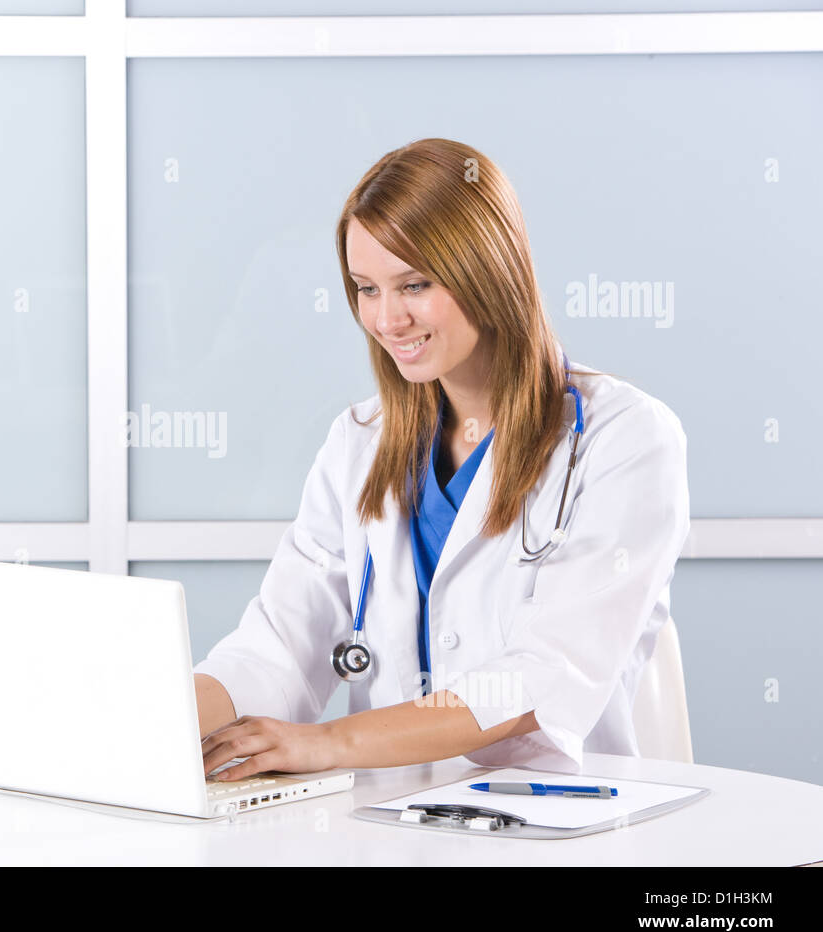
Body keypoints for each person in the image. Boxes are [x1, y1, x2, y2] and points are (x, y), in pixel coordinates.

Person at [194, 138, 690, 781]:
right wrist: (157, 720)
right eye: (366, 289)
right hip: (388, 823)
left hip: (559, 818)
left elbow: (542, 676)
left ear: (488, 269)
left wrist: (327, 744)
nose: (387, 318)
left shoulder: (623, 438)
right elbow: (279, 648)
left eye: (415, 284)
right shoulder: (359, 442)